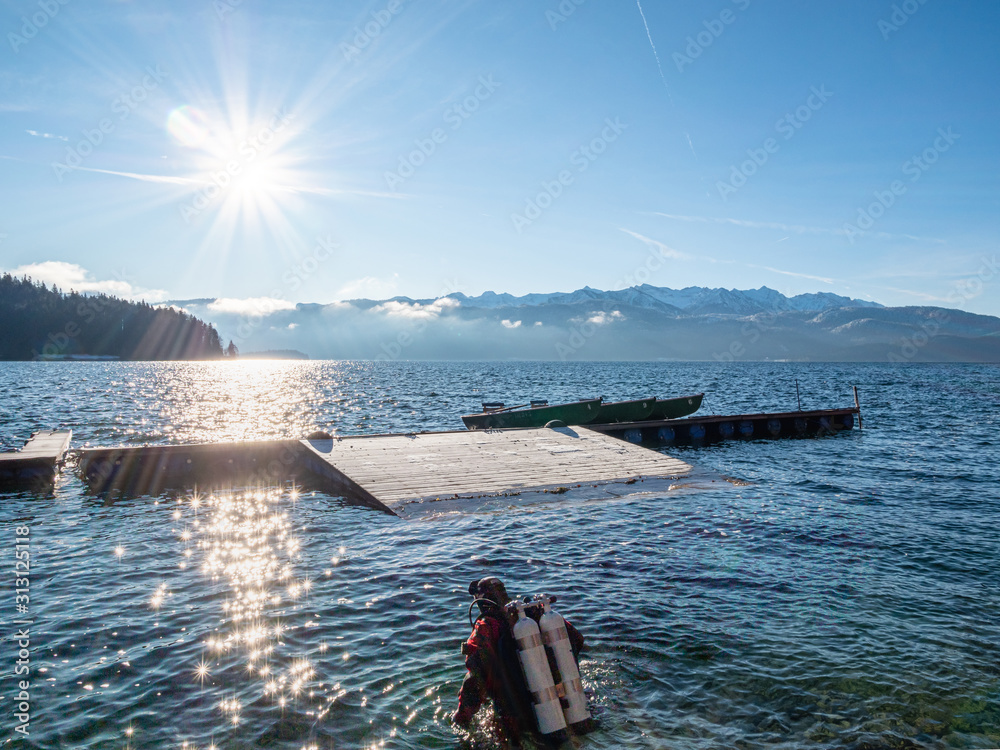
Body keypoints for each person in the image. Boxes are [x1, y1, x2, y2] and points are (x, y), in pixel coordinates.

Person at [452, 577, 585, 746]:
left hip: (517, 719)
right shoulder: (534, 614)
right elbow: (577, 640)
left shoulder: (486, 627)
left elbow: (475, 676)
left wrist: (461, 718)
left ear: (480, 601)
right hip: (564, 705)